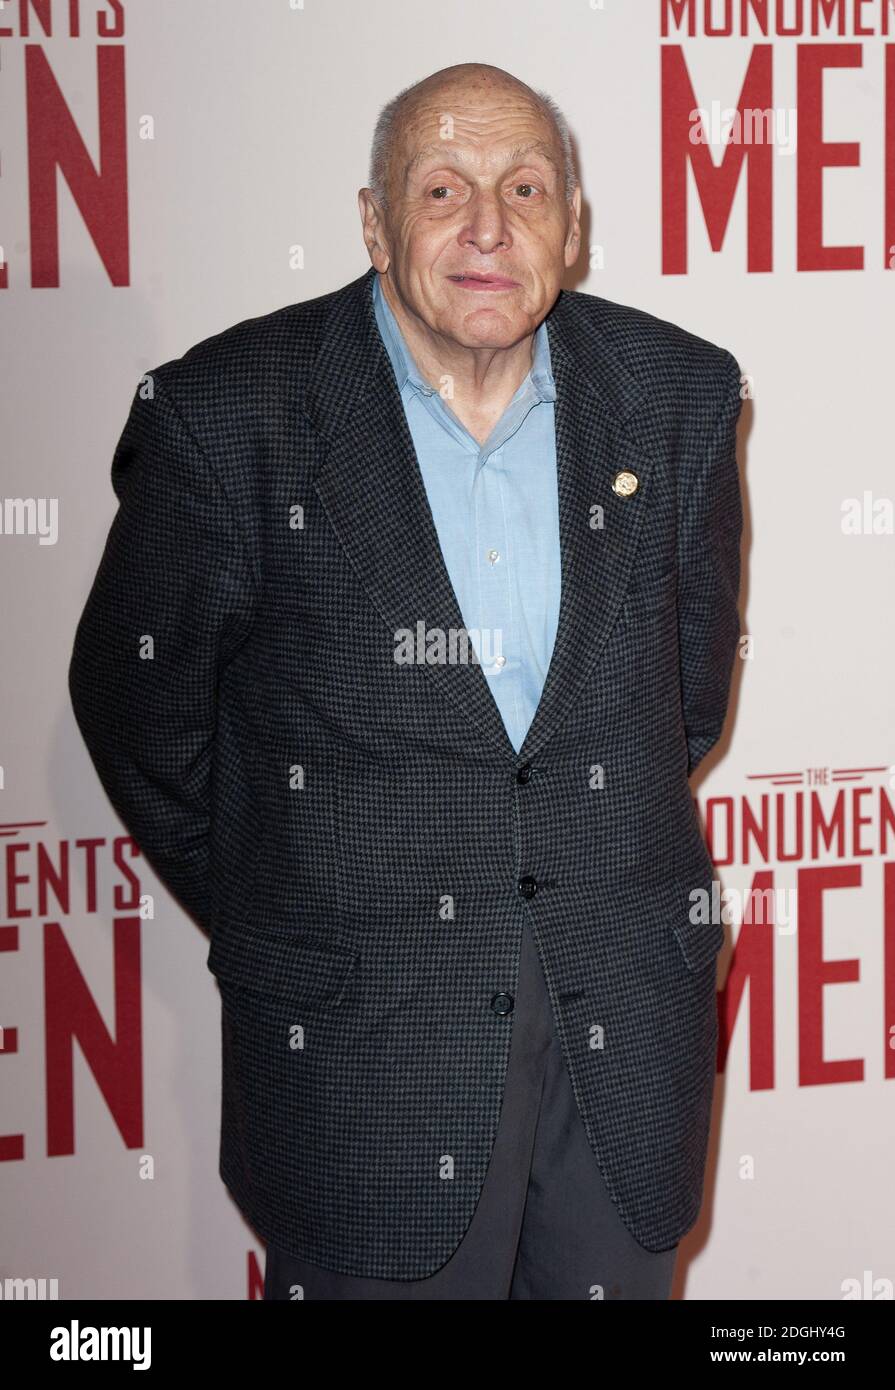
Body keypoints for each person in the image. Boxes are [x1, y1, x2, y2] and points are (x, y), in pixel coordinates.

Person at [69, 62, 743, 1300]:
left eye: (525, 187)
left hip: (620, 1044)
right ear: (374, 222)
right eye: (443, 188)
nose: (489, 227)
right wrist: (301, 894)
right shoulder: (228, 416)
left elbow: (683, 700)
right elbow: (139, 709)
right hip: (358, 1054)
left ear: (572, 226)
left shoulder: (679, 397)